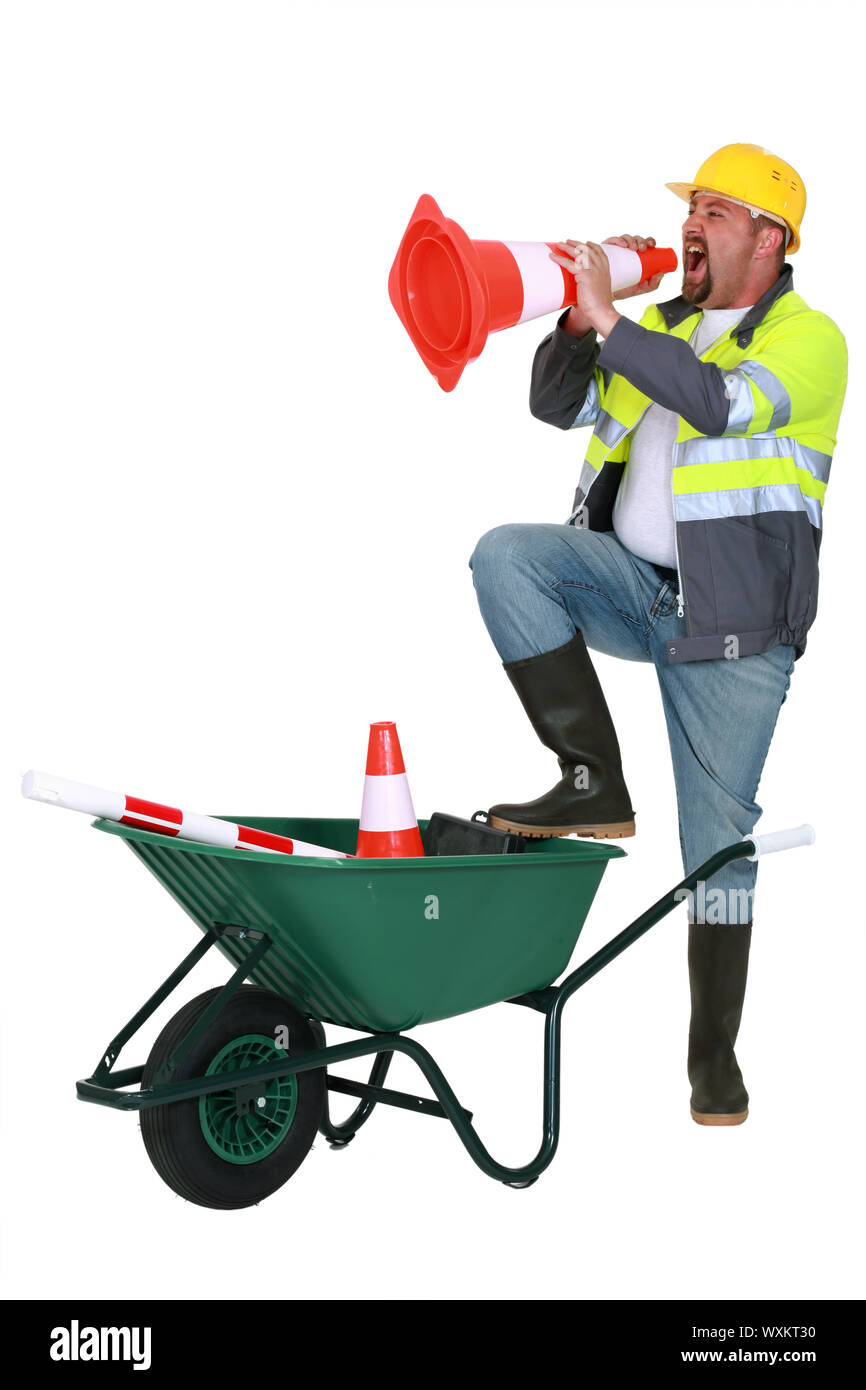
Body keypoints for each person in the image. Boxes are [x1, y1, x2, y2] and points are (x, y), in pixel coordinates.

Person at [469, 144, 848, 1126]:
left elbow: (720, 405)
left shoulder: (811, 341)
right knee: (507, 554)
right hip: (629, 586)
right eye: (691, 209)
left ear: (767, 240)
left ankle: (711, 1056)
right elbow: (556, 407)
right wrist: (574, 316)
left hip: (736, 629)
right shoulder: (659, 326)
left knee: (714, 848)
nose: (690, 225)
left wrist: (613, 322)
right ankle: (590, 778)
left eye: (715, 213)